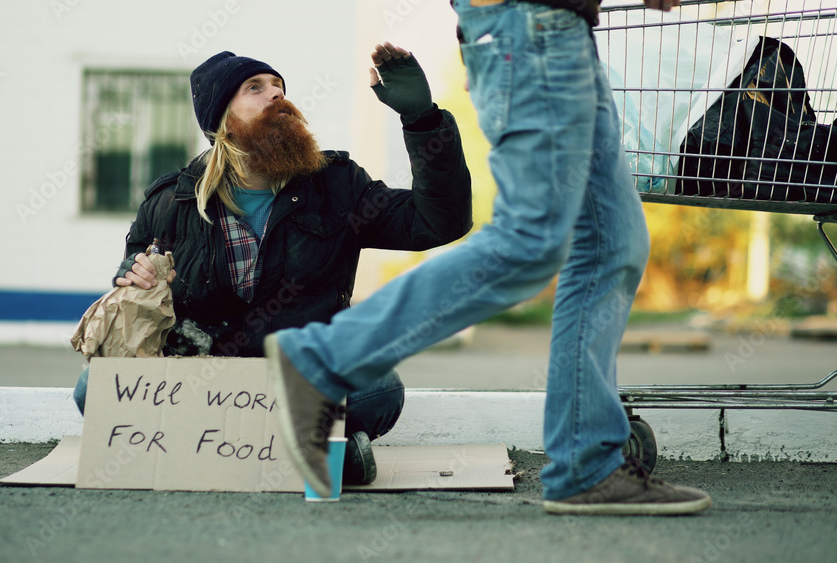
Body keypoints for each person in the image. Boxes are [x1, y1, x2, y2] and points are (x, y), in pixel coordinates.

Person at [265, 0, 713, 514]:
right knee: (530, 242)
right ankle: (324, 358)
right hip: (529, 30)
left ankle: (587, 464)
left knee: (613, 246)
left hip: (558, 35)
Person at [73, 45, 473, 485]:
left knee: (378, 389)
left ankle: (213, 450)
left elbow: (438, 222)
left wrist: (422, 121)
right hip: (202, 376)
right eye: (255, 88)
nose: (276, 95)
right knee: (91, 389)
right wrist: (135, 271)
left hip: (300, 373)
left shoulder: (337, 185)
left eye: (279, 87)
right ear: (220, 119)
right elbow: (133, 263)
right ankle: (324, 453)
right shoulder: (172, 201)